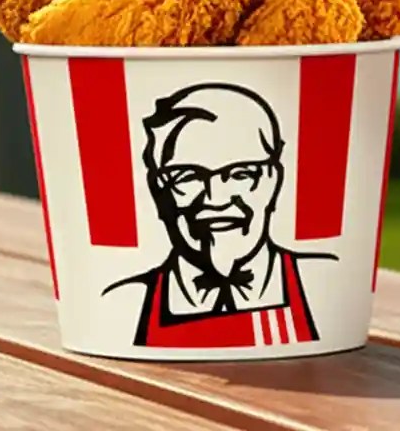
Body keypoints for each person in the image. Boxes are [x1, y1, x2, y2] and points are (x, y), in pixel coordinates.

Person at [103, 82, 335, 348]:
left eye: (240, 174)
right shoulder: (125, 301)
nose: (216, 199)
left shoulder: (321, 282)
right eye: (188, 177)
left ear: (273, 182)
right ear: (158, 191)